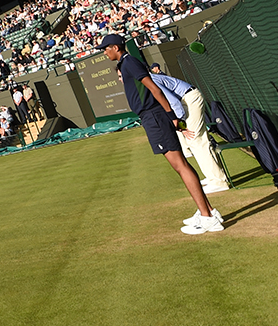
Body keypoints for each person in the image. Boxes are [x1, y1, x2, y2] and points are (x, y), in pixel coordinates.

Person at [99, 34, 223, 235]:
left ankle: (208, 218)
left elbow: (155, 89)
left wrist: (171, 115)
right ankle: (208, 211)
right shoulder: (125, 64)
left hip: (155, 117)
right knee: (180, 165)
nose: (105, 52)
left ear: (115, 47)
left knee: (180, 165)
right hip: (152, 117)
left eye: (106, 48)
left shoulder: (129, 62)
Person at [148, 69, 231, 195]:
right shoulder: (148, 79)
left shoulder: (149, 80)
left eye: (121, 76)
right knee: (199, 140)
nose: (121, 80)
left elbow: (174, 102)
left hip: (189, 99)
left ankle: (218, 182)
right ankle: (214, 177)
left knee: (195, 140)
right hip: (188, 99)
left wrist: (181, 124)